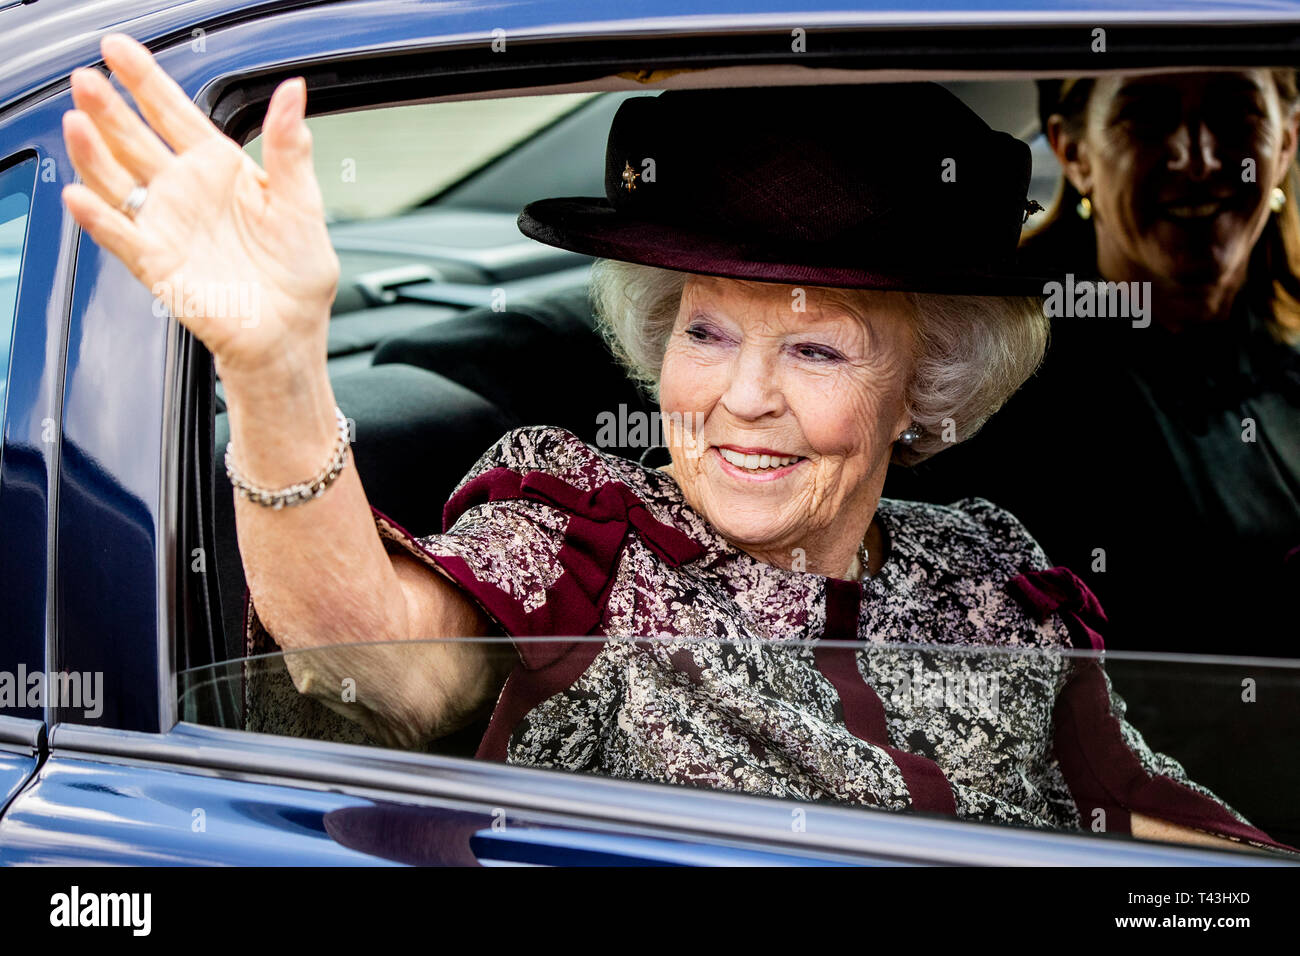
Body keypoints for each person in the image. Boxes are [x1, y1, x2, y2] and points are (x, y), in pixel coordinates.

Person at [60, 34, 1290, 852]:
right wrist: (273, 369)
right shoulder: (586, 531)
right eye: (706, 332)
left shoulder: (991, 574)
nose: (739, 397)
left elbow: (1134, 817)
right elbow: (374, 658)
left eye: (814, 349)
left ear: (925, 384)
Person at [890, 71, 1300, 659]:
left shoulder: (1285, 356)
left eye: (1237, 112)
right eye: (1147, 116)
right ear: (1073, 152)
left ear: (1286, 140)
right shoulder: (994, 377)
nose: (1198, 158)